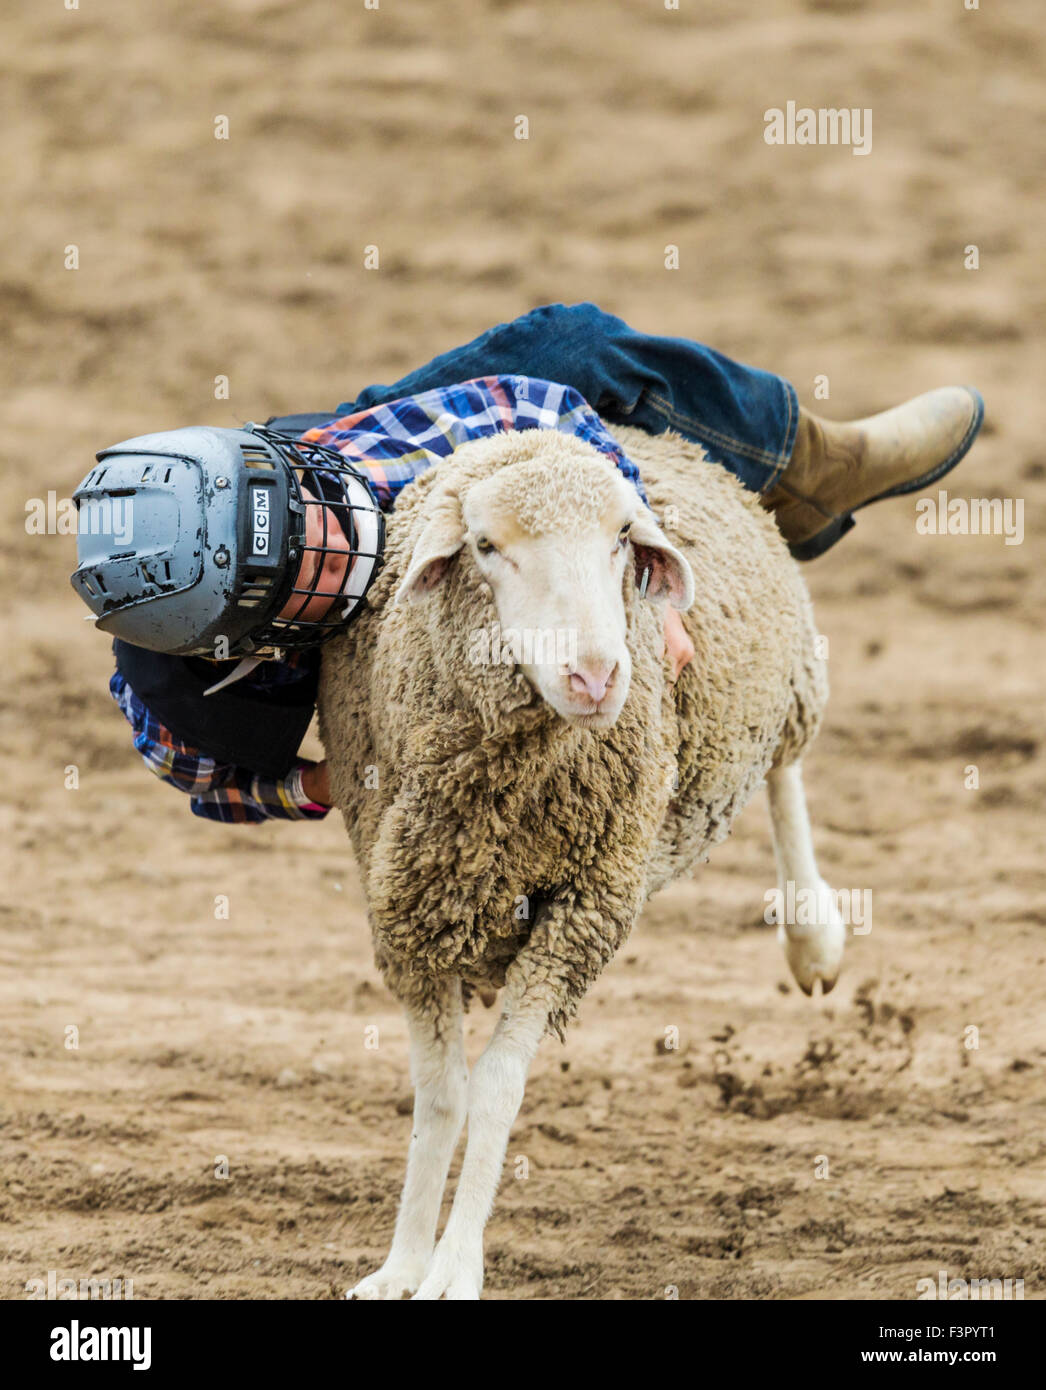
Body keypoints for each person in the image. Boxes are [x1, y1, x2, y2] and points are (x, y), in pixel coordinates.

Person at [70, 303, 984, 823]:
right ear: (245, 634)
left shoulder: (353, 462)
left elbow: (530, 400)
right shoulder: (178, 697)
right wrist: (310, 783)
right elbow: (201, 778)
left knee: (573, 345)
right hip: (356, 685)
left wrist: (637, 574)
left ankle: (806, 465)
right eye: (310, 553)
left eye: (311, 502)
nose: (343, 529)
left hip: (366, 455)